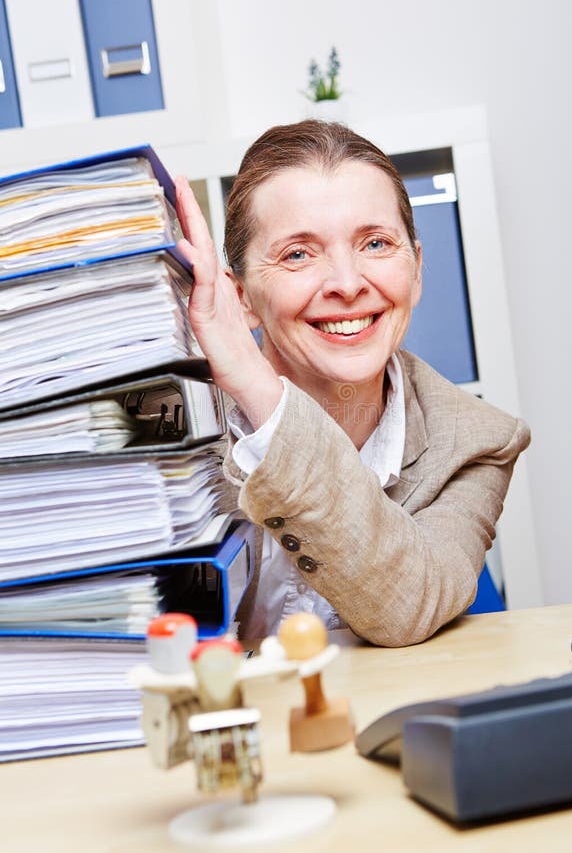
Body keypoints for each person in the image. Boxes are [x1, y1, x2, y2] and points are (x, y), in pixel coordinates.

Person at [174, 119, 530, 647]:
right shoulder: (170, 431)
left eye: (376, 244)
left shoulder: (478, 441)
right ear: (241, 296)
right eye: (298, 253)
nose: (347, 284)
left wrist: (260, 392)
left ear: (416, 269)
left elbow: (409, 607)